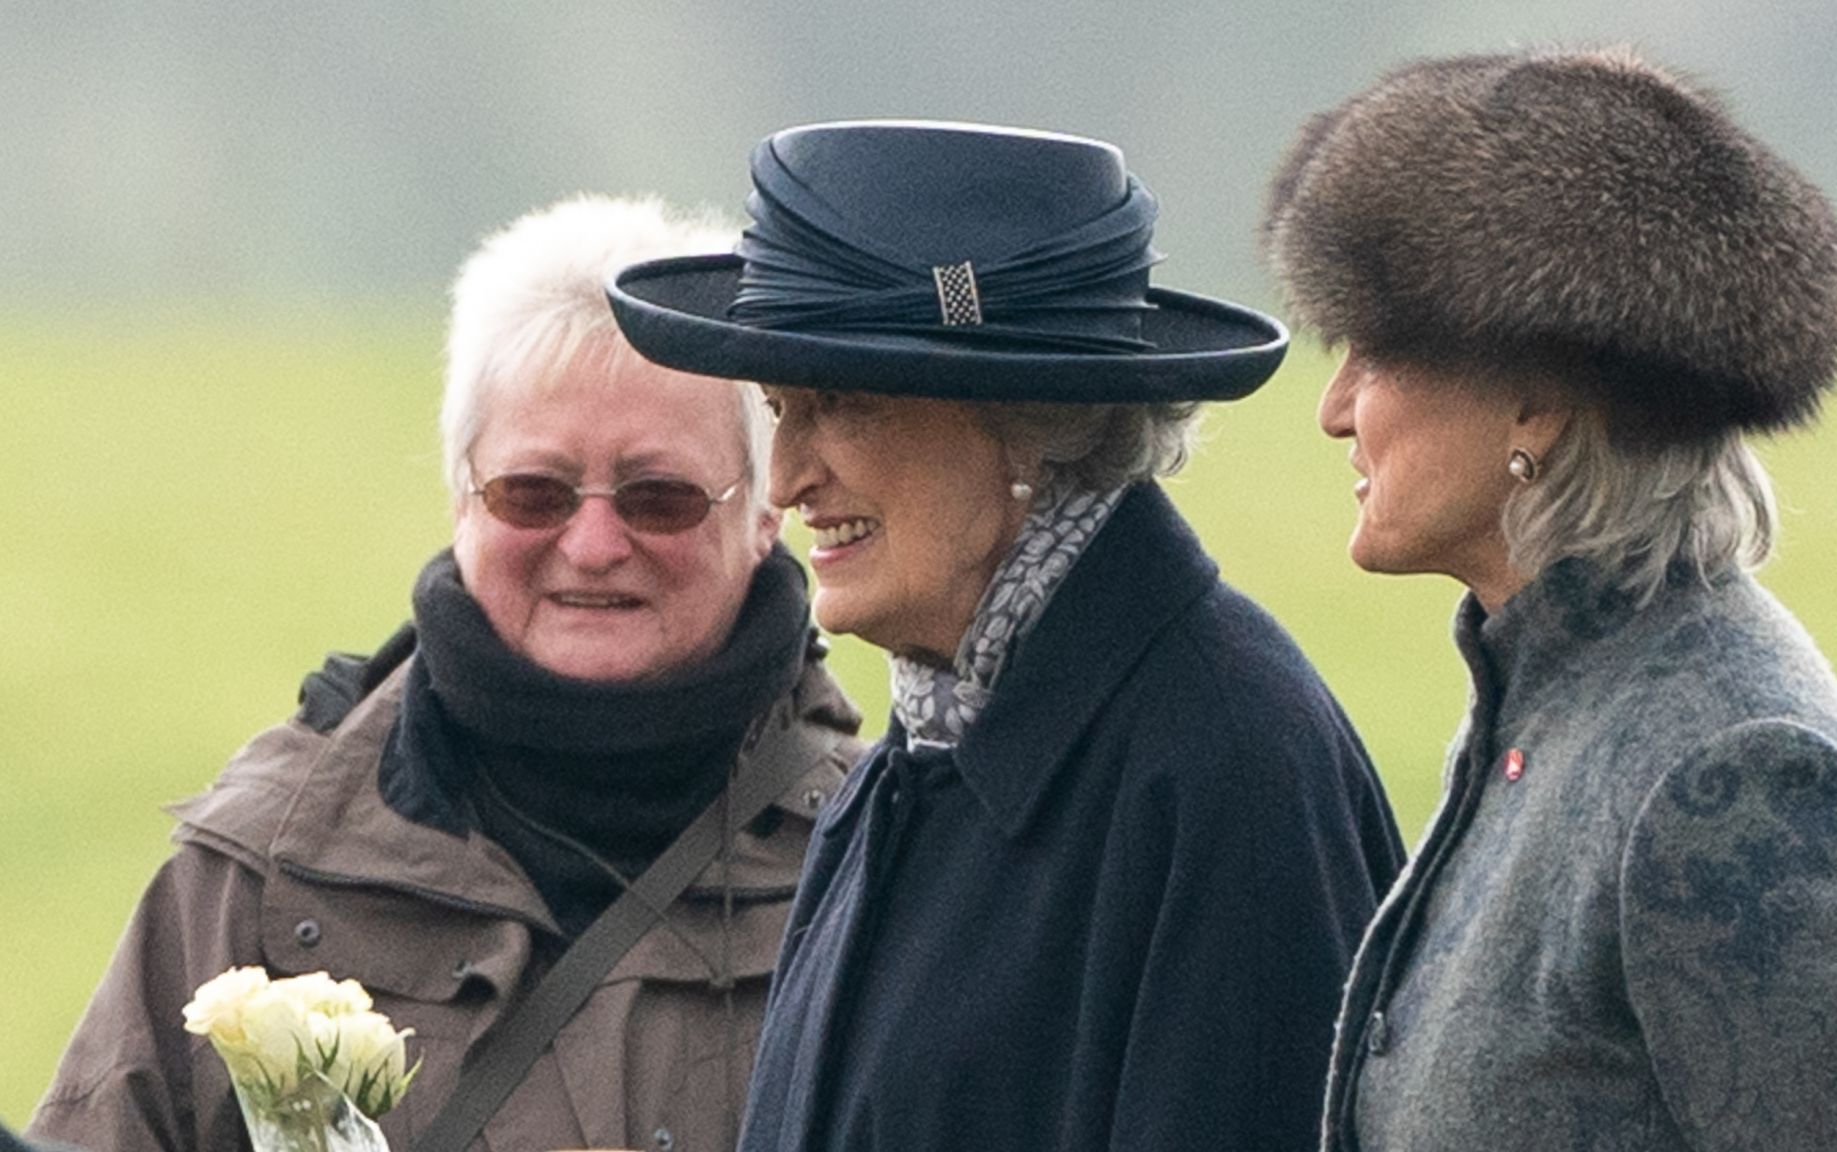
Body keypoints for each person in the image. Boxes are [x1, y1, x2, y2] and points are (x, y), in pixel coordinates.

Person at [607, 121, 1407, 1152]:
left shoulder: (1227, 766)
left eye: (841, 402)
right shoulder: (908, 766)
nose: (788, 474)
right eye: (779, 408)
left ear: (1026, 420)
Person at [30, 195, 865, 1152]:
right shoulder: (262, 876)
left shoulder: (880, 871)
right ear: (460, 497)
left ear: (766, 513)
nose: (593, 545)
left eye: (660, 498)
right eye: (533, 493)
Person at [1262, 47, 1837, 1150]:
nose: (1335, 409)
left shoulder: (1732, 782)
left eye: (1376, 351)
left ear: (1536, 402)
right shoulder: (1556, 692)